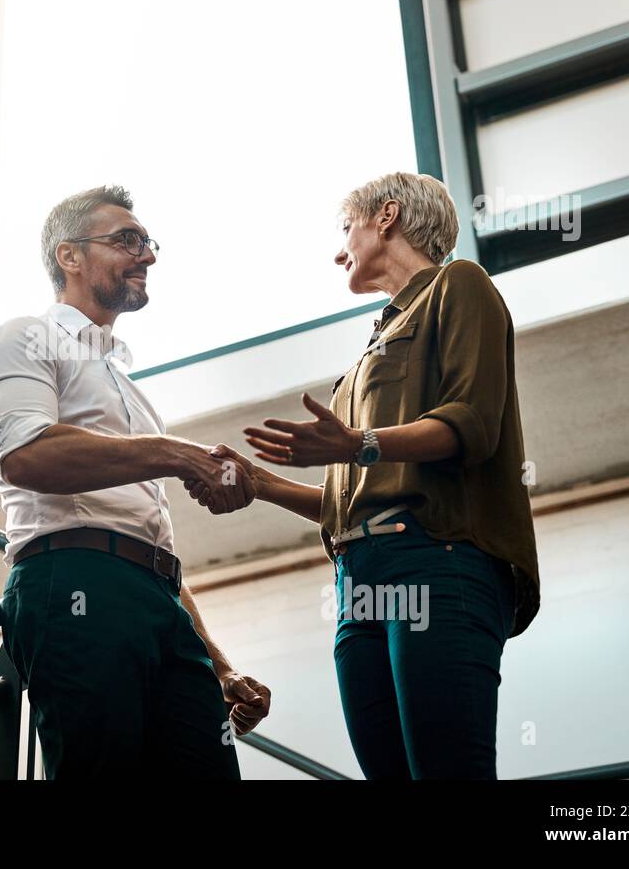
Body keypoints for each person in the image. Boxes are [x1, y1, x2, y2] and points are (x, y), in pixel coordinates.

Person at [189, 172, 539, 779]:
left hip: (436, 560)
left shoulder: (460, 285)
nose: (337, 250)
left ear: (387, 216)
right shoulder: (361, 359)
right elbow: (347, 499)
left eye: (344, 228)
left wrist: (356, 443)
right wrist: (261, 483)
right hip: (358, 583)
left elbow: (472, 425)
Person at [0, 184, 272, 780]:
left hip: (160, 599)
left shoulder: (130, 389)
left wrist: (219, 665)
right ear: (70, 256)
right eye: (127, 240)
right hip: (74, 584)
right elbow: (24, 454)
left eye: (148, 242)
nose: (148, 255)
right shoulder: (24, 337)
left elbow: (151, 543)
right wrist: (174, 454)